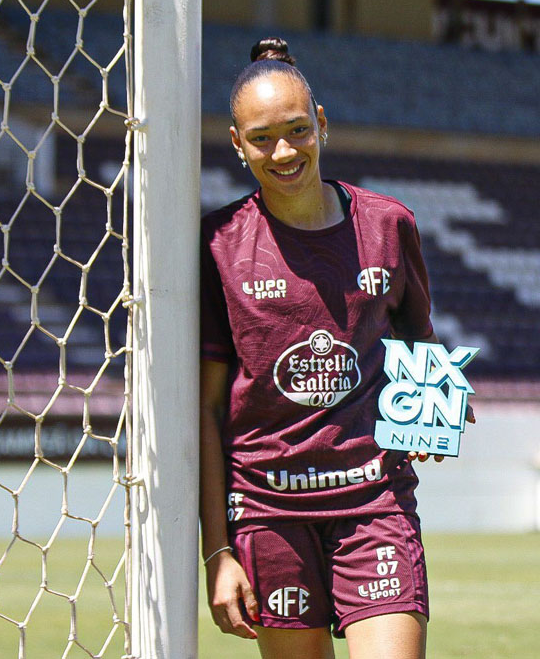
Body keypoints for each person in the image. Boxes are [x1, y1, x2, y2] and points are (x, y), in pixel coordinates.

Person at [199, 37, 472, 659]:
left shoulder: (388, 224)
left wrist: (436, 408)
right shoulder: (216, 244)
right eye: (262, 137)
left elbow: (418, 339)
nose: (284, 150)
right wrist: (218, 552)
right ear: (238, 145)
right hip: (269, 511)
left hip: (374, 499)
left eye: (297, 129)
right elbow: (209, 409)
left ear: (321, 124)